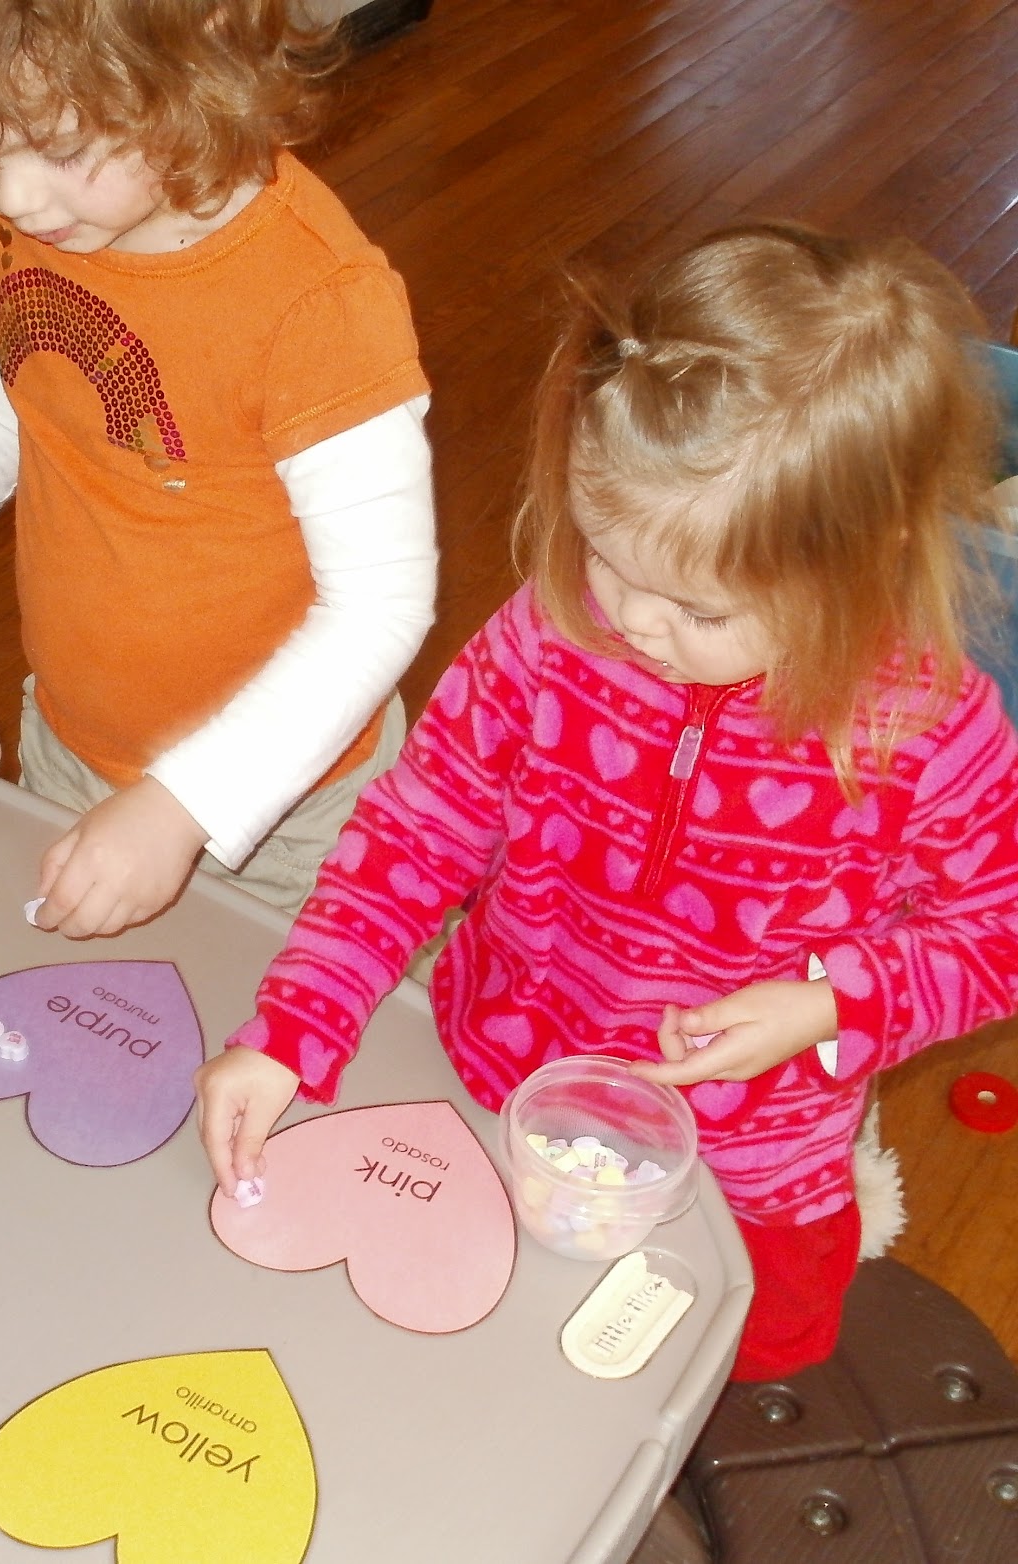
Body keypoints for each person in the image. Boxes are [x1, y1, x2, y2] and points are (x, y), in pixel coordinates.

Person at [195, 221, 1018, 1383]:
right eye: (604, 554)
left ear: (859, 560)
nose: (629, 619)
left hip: (750, 1166)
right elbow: (414, 831)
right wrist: (292, 1029)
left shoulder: (927, 730)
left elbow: (995, 934)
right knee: (498, 1346)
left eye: (698, 609)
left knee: (747, 1356)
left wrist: (829, 1004)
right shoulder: (553, 632)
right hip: (497, 1081)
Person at [0, 0, 436, 938]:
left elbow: (380, 608)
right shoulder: (38, 217)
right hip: (73, 747)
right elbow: (35, 361)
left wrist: (184, 805)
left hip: (288, 817)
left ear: (197, 66)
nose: (14, 198)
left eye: (60, 149)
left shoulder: (317, 306)